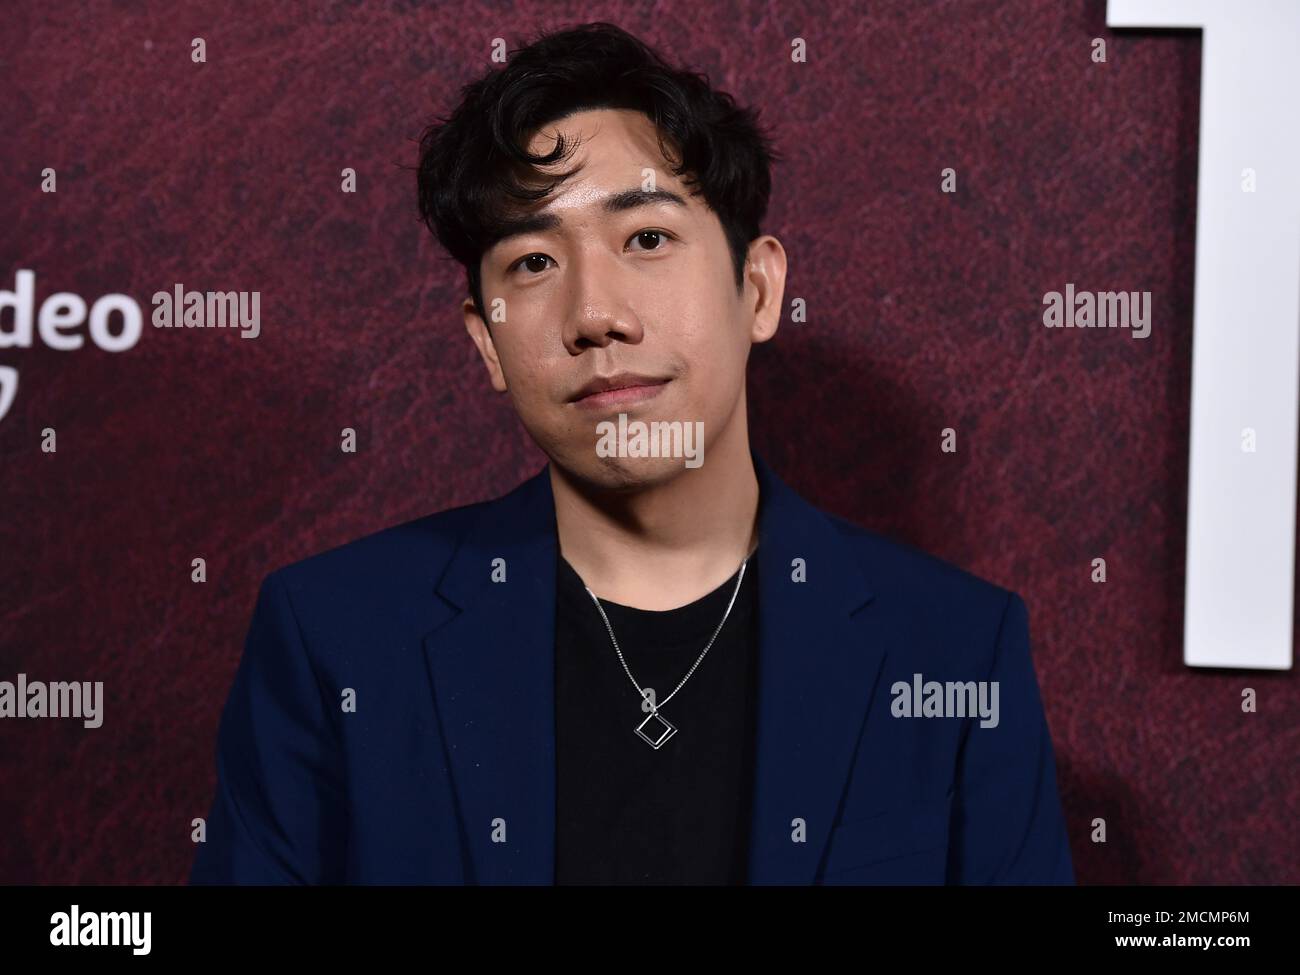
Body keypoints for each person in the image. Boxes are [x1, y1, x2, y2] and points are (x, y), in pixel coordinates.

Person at [190, 21, 1074, 885]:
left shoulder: (954, 651)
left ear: (758, 288)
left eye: (646, 239)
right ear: (487, 342)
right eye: (533, 262)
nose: (594, 314)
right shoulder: (336, 638)